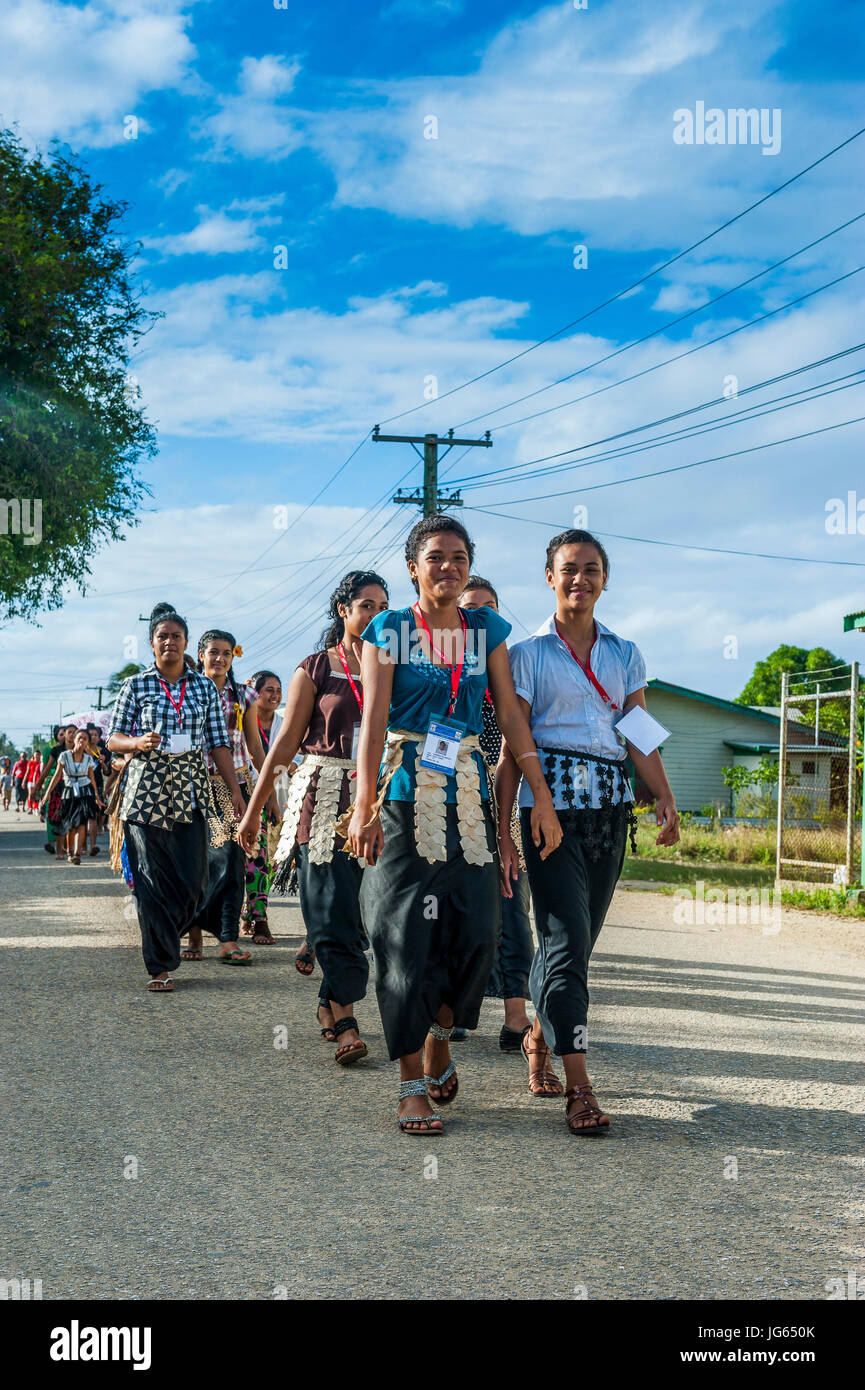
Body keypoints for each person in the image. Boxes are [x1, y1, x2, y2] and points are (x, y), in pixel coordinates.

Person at [345, 515, 562, 1135]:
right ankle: (412, 1082)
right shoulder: (388, 629)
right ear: (413, 567)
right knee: (403, 936)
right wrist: (363, 806)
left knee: (479, 931)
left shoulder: (485, 629)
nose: (449, 566)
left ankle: (442, 1033)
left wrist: (536, 794)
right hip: (403, 795)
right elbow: (376, 721)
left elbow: (511, 720)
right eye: (435, 557)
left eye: (459, 556)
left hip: (468, 793)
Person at [496, 529, 680, 1136]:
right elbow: (513, 743)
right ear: (549, 577)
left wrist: (664, 795)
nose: (580, 579)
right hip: (547, 811)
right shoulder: (526, 655)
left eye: (591, 569)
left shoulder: (625, 653)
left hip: (608, 811)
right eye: (569, 569)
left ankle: (540, 1039)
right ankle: (581, 1089)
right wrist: (516, 818)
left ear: (605, 579)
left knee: (575, 943)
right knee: (568, 941)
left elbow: (637, 731)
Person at [239, 572, 390, 1064]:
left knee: (366, 913)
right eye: (365, 604)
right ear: (343, 611)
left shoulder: (393, 665)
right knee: (328, 906)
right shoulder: (316, 669)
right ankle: (346, 1021)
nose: (374, 613)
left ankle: (327, 997)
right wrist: (255, 812)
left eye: (383, 606)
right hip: (321, 798)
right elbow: (283, 746)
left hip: (379, 801)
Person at [106, 602, 246, 992]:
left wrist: (233, 792)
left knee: (195, 881)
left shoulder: (203, 687)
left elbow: (219, 743)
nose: (169, 641)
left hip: (192, 791)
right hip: (146, 792)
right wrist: (136, 741)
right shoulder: (135, 685)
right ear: (152, 644)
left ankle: (174, 929)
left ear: (186, 644)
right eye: (162, 636)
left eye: (176, 636)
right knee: (151, 880)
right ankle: (160, 966)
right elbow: (113, 738)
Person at [457, 576, 535, 1053]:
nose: (481, 616)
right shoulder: (438, 665)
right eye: (472, 609)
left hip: (506, 795)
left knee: (512, 904)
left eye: (490, 608)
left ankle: (515, 1017)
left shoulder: (514, 663)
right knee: (455, 907)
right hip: (453, 795)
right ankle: (452, 1009)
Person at [181, 629, 268, 966]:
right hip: (190, 786)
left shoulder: (244, 696)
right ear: (201, 655)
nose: (219, 659)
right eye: (213, 652)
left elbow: (255, 746)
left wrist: (269, 788)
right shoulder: (186, 691)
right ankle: (193, 934)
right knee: (195, 861)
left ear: (234, 657)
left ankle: (228, 938)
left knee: (232, 859)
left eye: (226, 654)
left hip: (233, 787)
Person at [239, 669, 285, 945]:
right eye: (269, 689)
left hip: (273, 796)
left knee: (264, 860)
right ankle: (253, 919)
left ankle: (256, 915)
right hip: (239, 793)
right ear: (254, 693)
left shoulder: (285, 723)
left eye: (278, 690)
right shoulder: (241, 719)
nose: (275, 695)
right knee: (242, 860)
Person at [42, 729, 104, 864]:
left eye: (85, 739)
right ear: (74, 740)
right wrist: (48, 793)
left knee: (82, 824)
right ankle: (70, 852)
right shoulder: (64, 756)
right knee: (71, 825)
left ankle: (77, 854)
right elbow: (57, 775)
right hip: (68, 793)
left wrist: (97, 796)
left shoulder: (88, 759)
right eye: (80, 738)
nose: (82, 740)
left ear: (87, 743)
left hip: (84, 793)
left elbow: (91, 778)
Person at [33, 726, 68, 855]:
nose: (64, 736)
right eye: (61, 734)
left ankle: (66, 846)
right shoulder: (52, 750)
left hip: (70, 784)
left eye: (67, 733)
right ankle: (52, 843)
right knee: (52, 812)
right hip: (53, 784)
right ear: (56, 736)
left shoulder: (76, 750)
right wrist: (37, 787)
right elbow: (46, 769)